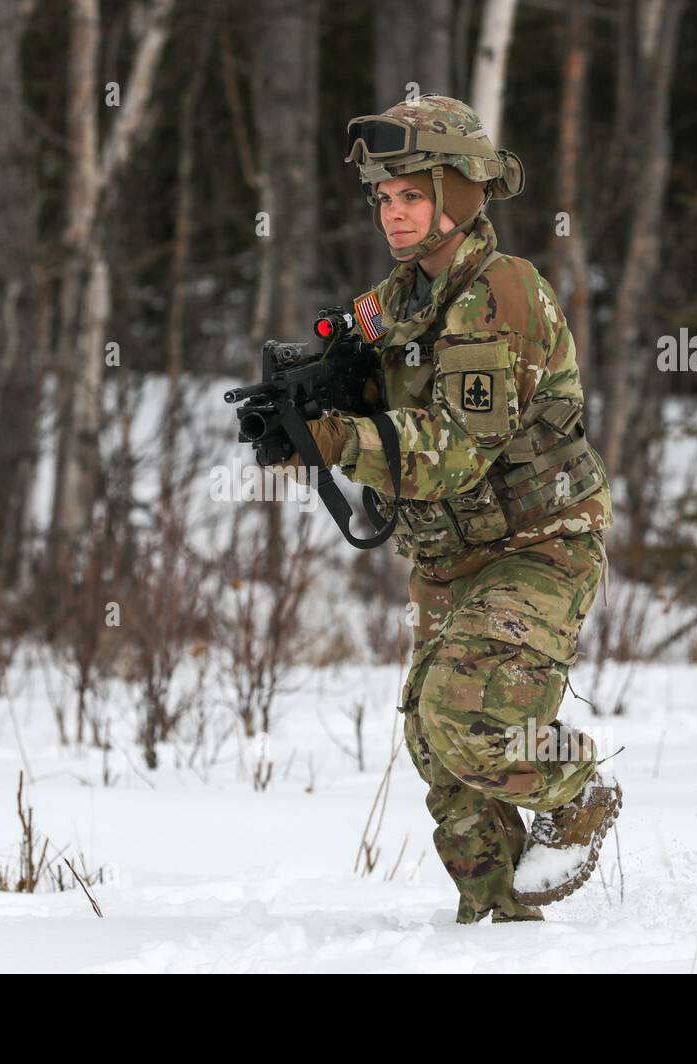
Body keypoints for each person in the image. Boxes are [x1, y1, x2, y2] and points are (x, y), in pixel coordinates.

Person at [276, 95, 621, 923]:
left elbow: (453, 455)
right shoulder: (400, 296)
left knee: (468, 721)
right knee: (437, 751)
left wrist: (336, 440)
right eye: (383, 200)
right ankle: (500, 925)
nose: (392, 216)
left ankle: (579, 788)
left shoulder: (500, 293)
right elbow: (349, 355)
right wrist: (299, 402)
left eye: (412, 197)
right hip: (449, 560)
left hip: (539, 546)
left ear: (459, 197)